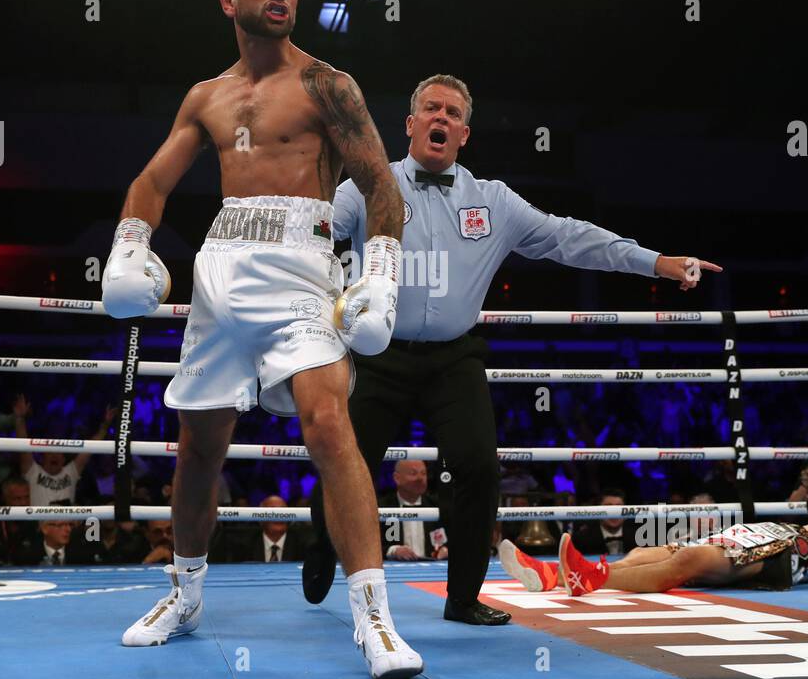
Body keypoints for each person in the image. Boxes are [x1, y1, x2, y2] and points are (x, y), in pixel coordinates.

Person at [106, 0, 421, 679]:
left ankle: (374, 614)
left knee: (328, 422)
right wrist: (130, 244)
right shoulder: (205, 96)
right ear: (230, 0)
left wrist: (381, 270)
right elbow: (151, 181)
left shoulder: (326, 84)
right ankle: (183, 596)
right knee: (198, 447)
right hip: (222, 267)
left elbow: (380, 182)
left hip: (301, 266)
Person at [303, 73, 721, 624]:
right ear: (409, 124)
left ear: (464, 134)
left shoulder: (492, 201)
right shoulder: (367, 186)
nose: (441, 118)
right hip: (379, 353)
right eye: (431, 108)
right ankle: (320, 543)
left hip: (454, 356)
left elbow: (568, 236)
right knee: (344, 459)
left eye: (452, 112)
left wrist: (654, 261)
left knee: (478, 465)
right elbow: (317, 229)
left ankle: (463, 597)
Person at [500, 491, 808, 595]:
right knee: (644, 551)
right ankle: (553, 574)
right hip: (769, 533)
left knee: (688, 559)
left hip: (790, 555)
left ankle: (592, 580)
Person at [12, 395, 115, 506]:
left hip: (66, 522)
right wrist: (20, 419)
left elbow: (90, 448)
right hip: (40, 522)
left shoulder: (70, 472)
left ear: (63, 458)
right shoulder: (32, 471)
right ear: (43, 456)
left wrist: (104, 427)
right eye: (51, 452)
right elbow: (23, 447)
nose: (54, 456)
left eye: (58, 452)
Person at [378, 461, 447, 561]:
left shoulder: (437, 506)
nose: (420, 478)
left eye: (423, 473)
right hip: (395, 572)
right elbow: (367, 545)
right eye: (413, 473)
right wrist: (393, 550)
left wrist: (446, 549)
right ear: (397, 478)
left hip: (433, 571)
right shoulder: (382, 507)